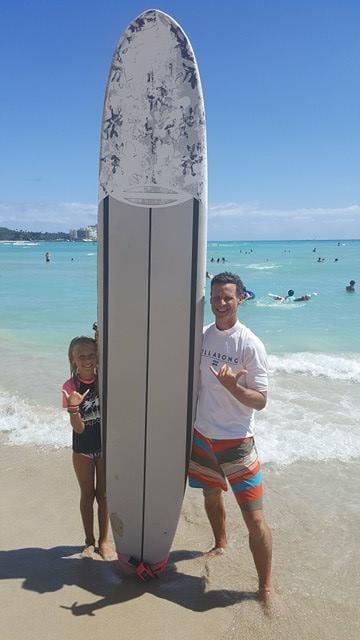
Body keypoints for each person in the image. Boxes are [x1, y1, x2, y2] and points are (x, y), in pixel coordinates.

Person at [189, 272, 272, 603]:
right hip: (202, 435)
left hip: (237, 441)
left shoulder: (250, 344)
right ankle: (220, 543)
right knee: (211, 495)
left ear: (240, 299)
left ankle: (264, 587)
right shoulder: (204, 337)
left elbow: (261, 400)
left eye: (227, 298)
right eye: (215, 297)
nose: (220, 303)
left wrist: (234, 388)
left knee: (254, 518)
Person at [62, 336, 114, 560]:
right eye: (81, 356)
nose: (87, 360)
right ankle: (88, 542)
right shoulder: (70, 387)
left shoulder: (104, 379)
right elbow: (80, 429)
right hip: (82, 448)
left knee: (103, 495)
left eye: (92, 355)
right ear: (73, 360)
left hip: (105, 447)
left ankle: (104, 541)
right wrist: (74, 408)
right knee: (87, 496)